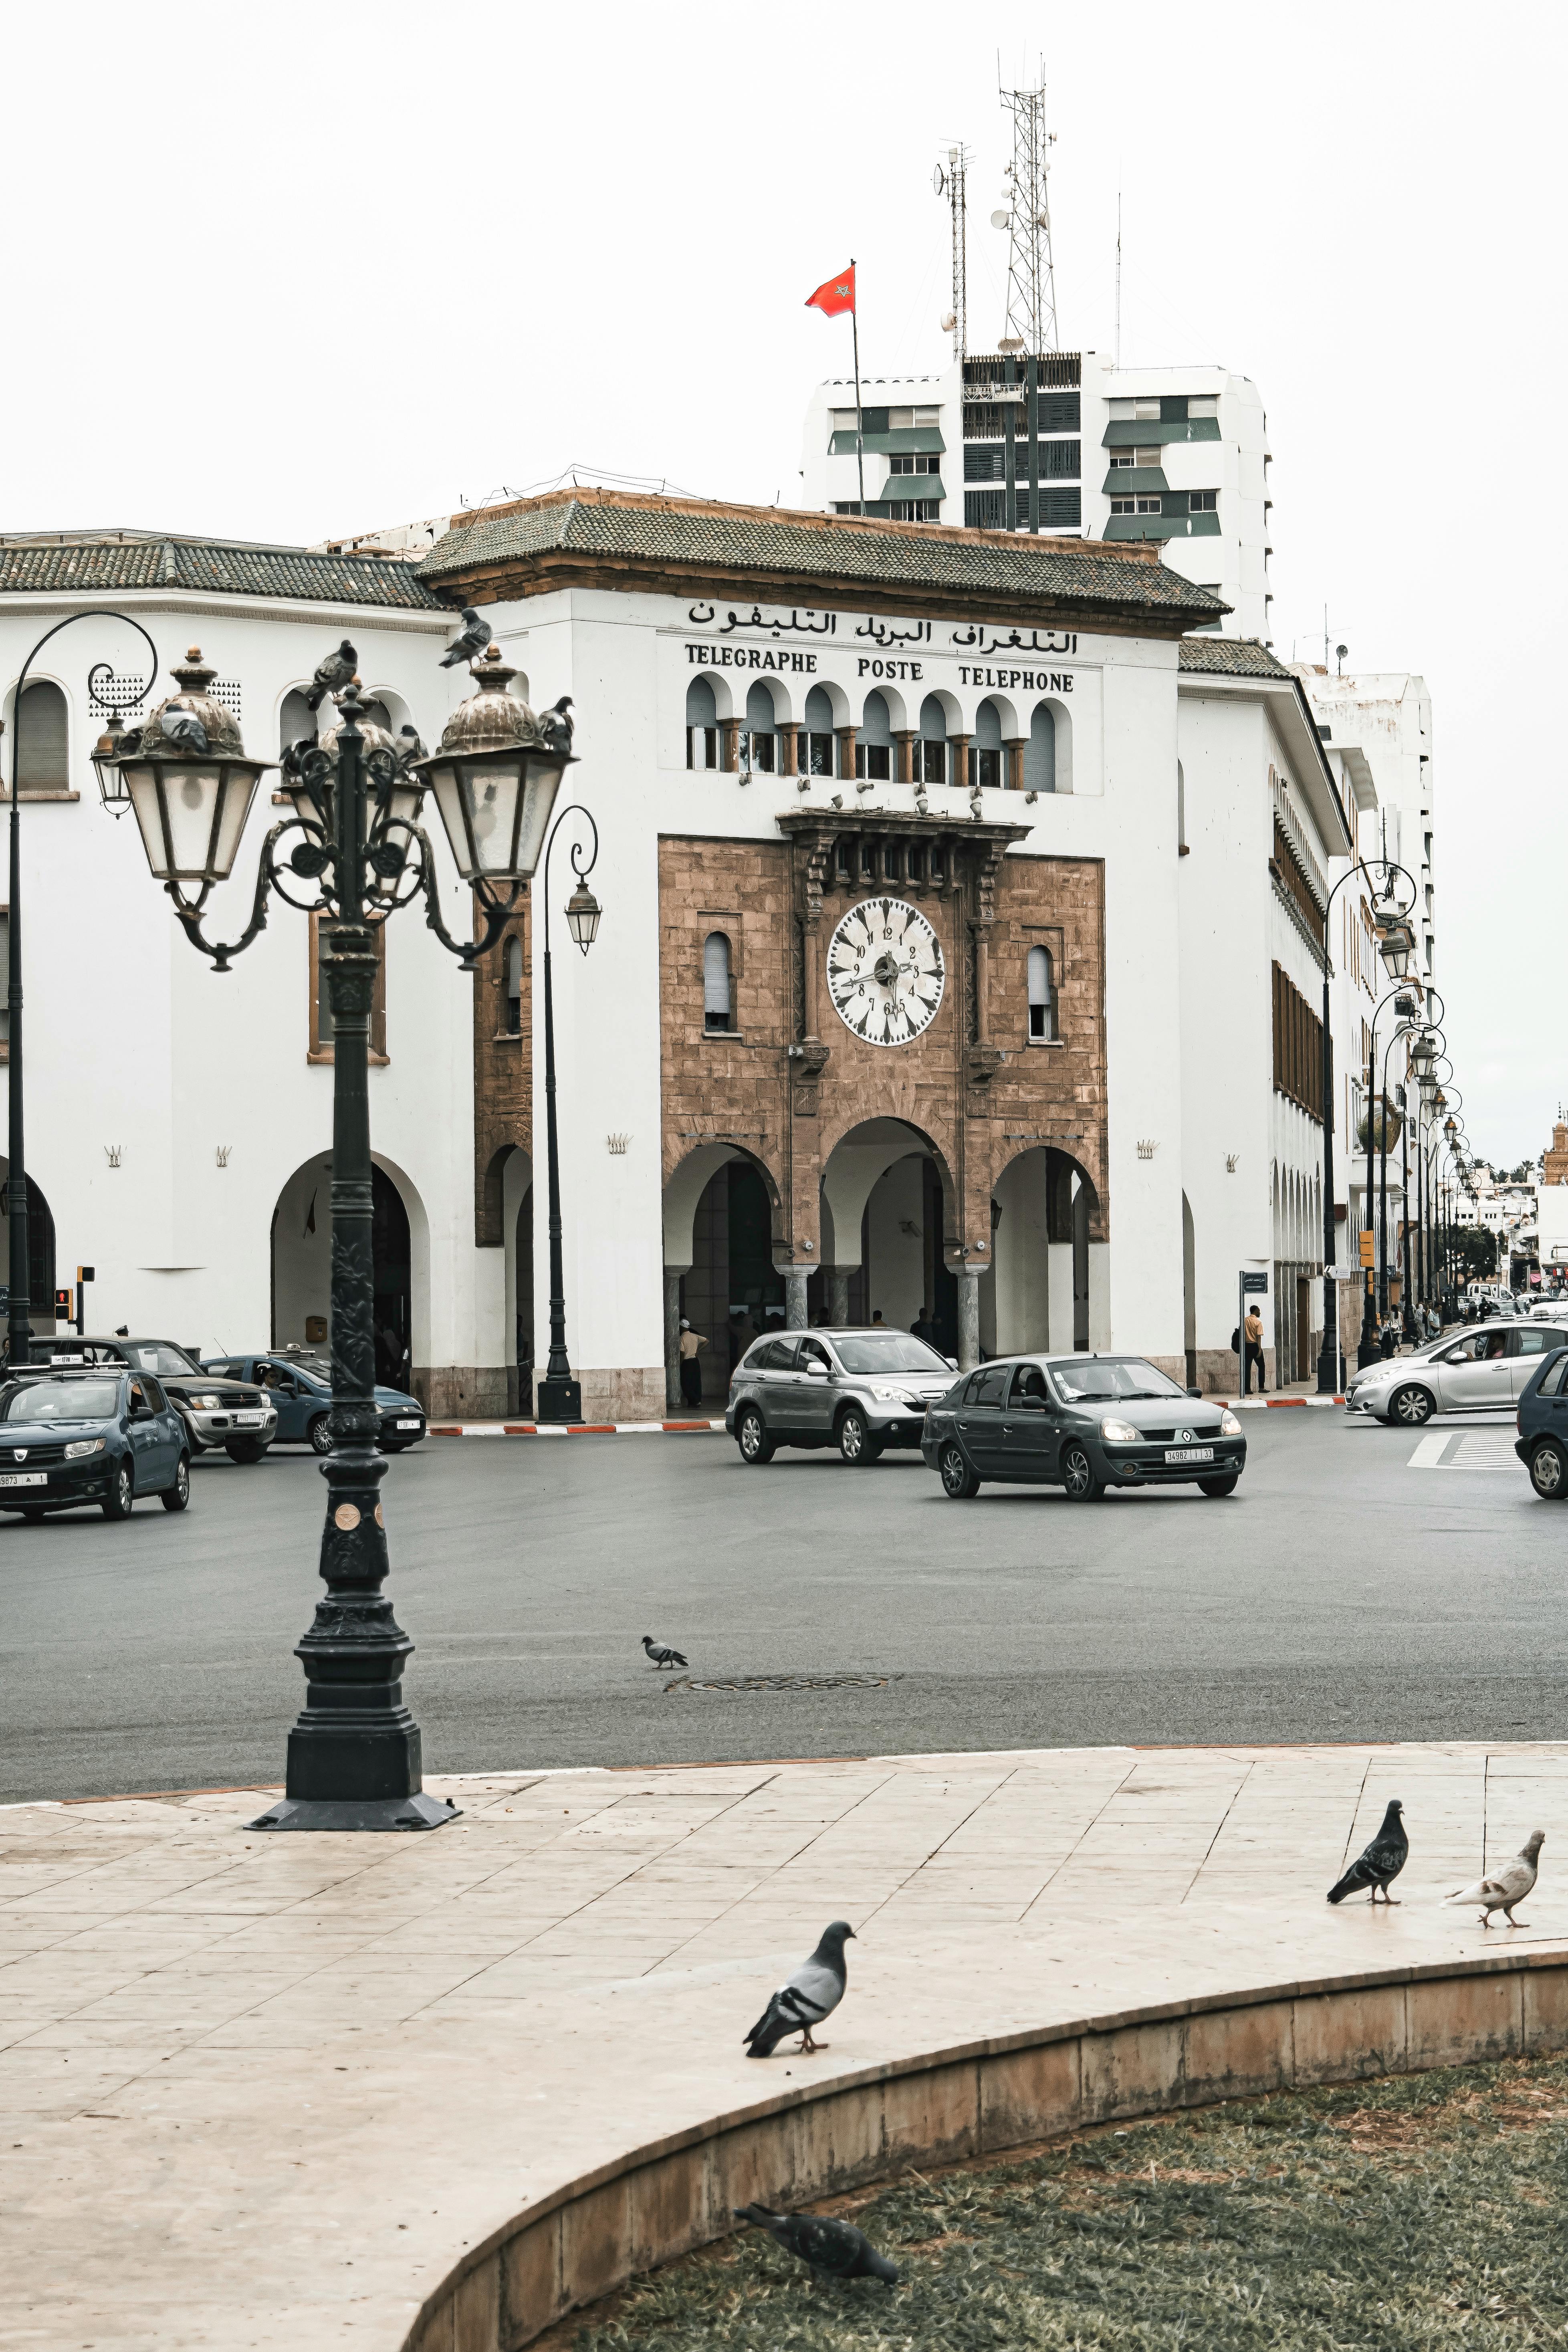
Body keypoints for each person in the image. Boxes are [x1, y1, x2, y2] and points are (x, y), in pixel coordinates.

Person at [677, 1317, 706, 1407]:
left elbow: (682, 1353)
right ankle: (694, 1402)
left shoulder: (682, 1338)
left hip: (687, 1363)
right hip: (695, 1362)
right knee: (696, 1382)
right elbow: (706, 1341)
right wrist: (698, 1350)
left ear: (682, 1327)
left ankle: (695, 1400)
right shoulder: (695, 1336)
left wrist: (680, 1364)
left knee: (685, 1383)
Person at [1243, 1305, 1266, 1395]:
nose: (1260, 1313)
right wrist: (1260, 1349)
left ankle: (1247, 1389)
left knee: (1247, 1367)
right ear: (1255, 1311)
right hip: (1255, 1346)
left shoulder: (1245, 1320)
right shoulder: (1258, 1322)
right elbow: (1259, 1336)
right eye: (1259, 1311)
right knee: (1261, 1366)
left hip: (1246, 1346)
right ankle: (1261, 1387)